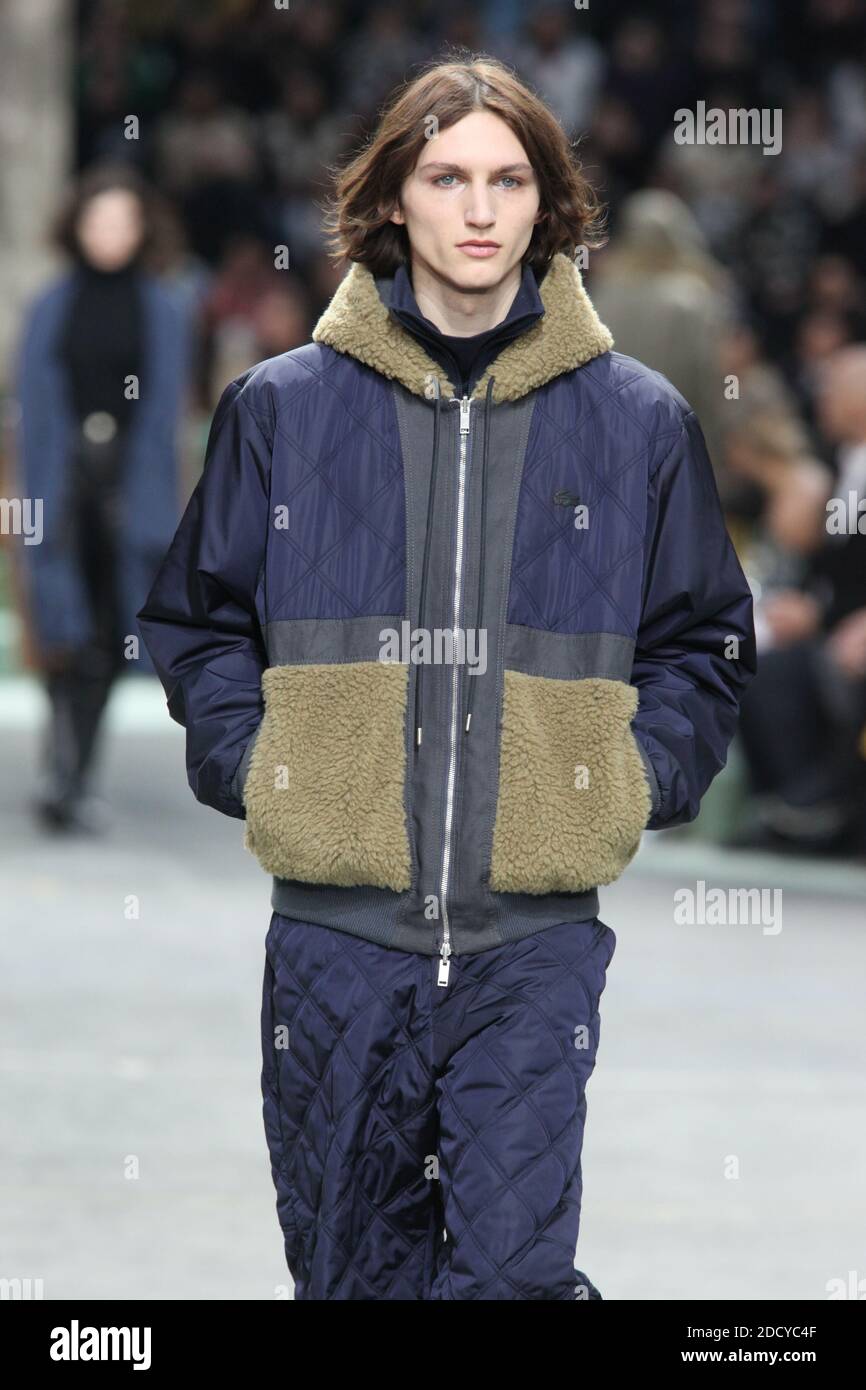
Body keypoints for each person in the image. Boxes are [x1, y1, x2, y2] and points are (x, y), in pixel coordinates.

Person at [137, 56, 756, 1300]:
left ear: (546, 206)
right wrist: (268, 773)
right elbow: (195, 621)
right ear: (393, 202)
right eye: (445, 177)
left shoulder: (634, 421)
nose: (477, 209)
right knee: (350, 1278)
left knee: (510, 1279)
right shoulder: (282, 410)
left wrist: (622, 785)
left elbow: (703, 639)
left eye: (506, 179)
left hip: (531, 946)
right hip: (334, 941)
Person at [14, 164, 192, 831]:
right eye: (98, 221)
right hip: (63, 487)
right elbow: (30, 407)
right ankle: (63, 768)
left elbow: (168, 410)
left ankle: (73, 772)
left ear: (142, 229)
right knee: (60, 628)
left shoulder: (164, 308)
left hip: (129, 487)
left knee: (113, 629)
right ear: (77, 226)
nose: (109, 234)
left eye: (122, 222)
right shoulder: (51, 304)